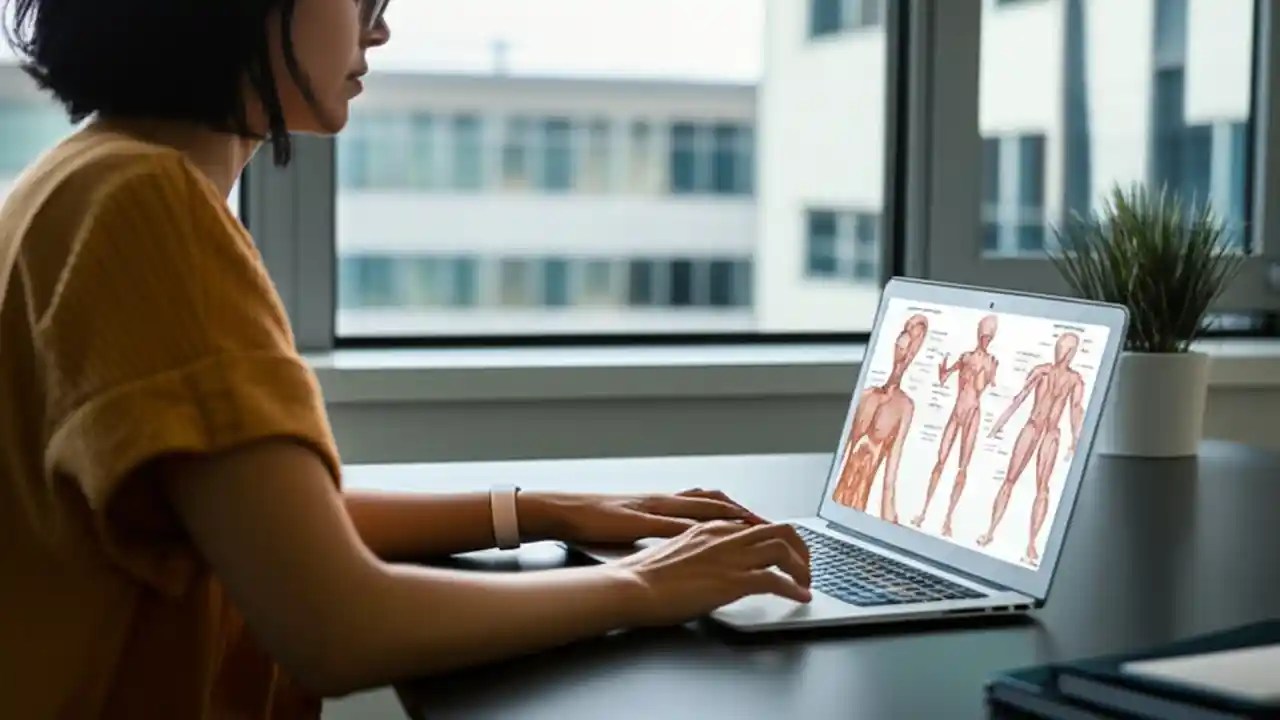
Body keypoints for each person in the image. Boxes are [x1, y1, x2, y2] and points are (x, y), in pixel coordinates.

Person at [0, 0, 812, 717]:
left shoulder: (73, 182)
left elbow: (266, 528)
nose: (379, 28)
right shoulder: (150, 213)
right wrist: (642, 587)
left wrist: (539, 510)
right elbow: (333, 624)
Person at [976, 333, 1085, 565]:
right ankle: (990, 530)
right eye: (1059, 346)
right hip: (1032, 427)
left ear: (1073, 352)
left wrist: (1076, 440)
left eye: (1066, 349)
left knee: (1042, 488)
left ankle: (1032, 544)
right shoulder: (1041, 371)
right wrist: (999, 423)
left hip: (1051, 433)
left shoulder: (1075, 380)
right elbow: (1020, 397)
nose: (1061, 352)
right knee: (1009, 480)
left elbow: (1076, 409)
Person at [830, 313, 928, 523]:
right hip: (837, 504)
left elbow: (889, 480)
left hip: (859, 508)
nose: (908, 351)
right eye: (907, 340)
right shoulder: (866, 396)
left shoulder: (904, 407)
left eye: (916, 344)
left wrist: (891, 526)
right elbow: (837, 461)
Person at [910, 314, 998, 536]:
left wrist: (984, 370)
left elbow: (985, 386)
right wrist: (944, 370)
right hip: (957, 410)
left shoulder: (991, 362)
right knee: (940, 461)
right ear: (979, 334)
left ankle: (948, 519)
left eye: (990, 335)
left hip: (973, 413)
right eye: (984, 334)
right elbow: (944, 377)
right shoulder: (966, 356)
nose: (986, 338)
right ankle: (924, 511)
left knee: (962, 467)